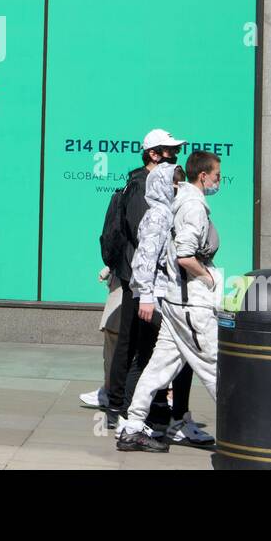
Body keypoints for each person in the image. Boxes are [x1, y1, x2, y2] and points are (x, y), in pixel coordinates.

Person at [117, 151, 223, 453]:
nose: (176, 184)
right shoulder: (187, 206)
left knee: (159, 367)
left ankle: (133, 425)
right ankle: (245, 429)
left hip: (178, 300)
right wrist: (208, 278)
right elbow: (180, 256)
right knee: (216, 366)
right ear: (204, 176)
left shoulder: (173, 207)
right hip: (191, 303)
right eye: (217, 175)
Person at [104, 128, 194, 432]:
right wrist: (146, 290)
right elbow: (147, 243)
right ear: (153, 154)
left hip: (139, 280)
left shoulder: (148, 185)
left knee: (138, 344)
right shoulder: (144, 188)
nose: (175, 156)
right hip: (140, 282)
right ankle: (121, 408)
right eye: (169, 151)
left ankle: (131, 407)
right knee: (135, 345)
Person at [78, 266, 121, 410]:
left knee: (114, 340)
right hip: (126, 285)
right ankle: (109, 390)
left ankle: (109, 392)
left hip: (125, 289)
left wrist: (110, 267)